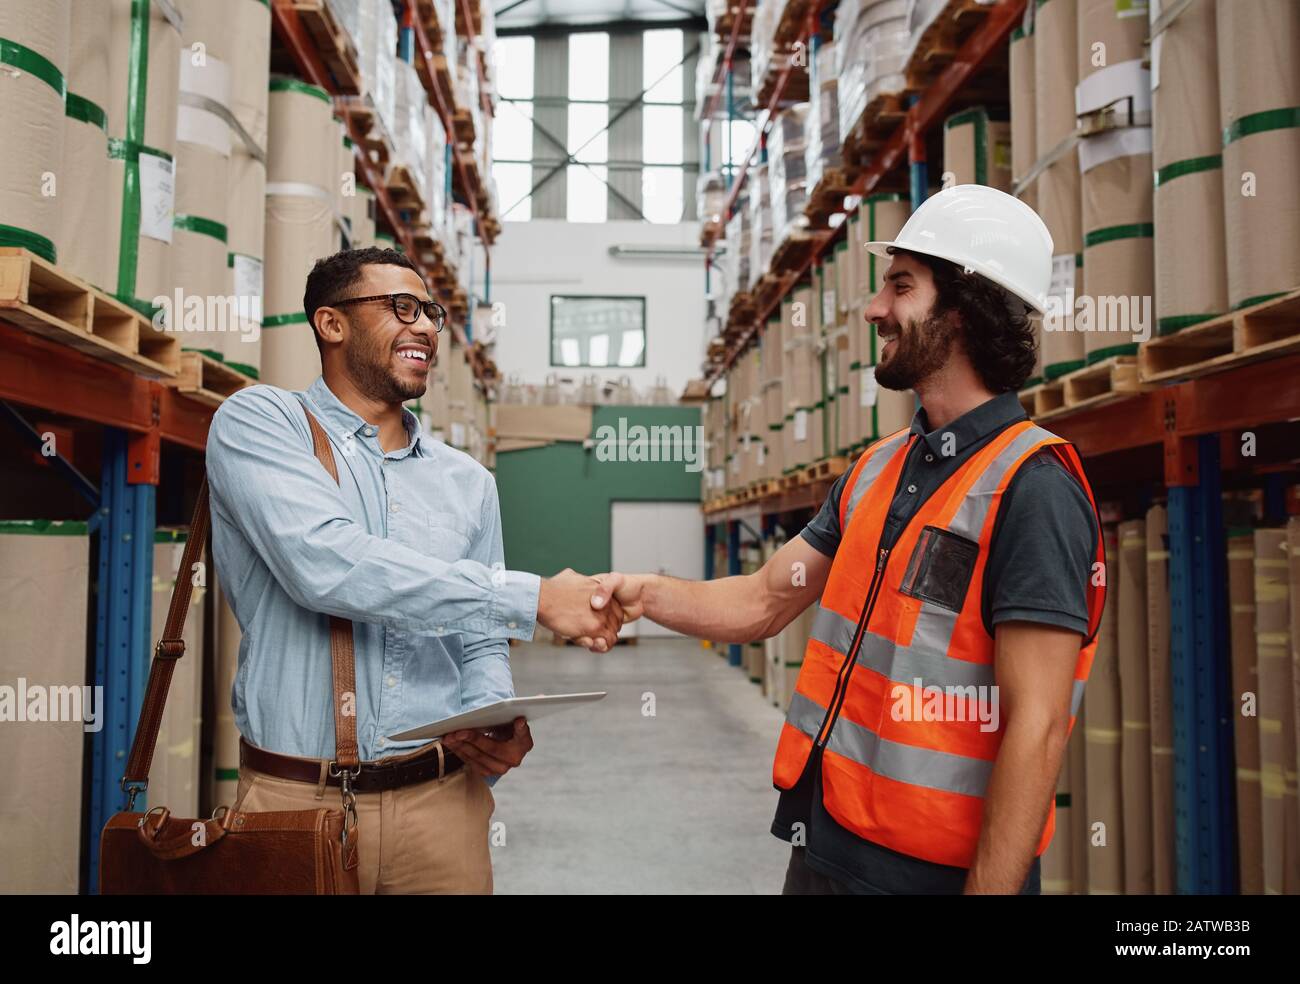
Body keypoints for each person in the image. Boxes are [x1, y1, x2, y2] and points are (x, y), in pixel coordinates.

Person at [592, 185, 1106, 895]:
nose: (874, 309)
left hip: (931, 875)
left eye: (900, 286)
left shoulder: (1033, 488)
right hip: (827, 839)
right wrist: (643, 594)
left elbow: (1039, 726)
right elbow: (762, 601)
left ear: (965, 308)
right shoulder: (877, 469)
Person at [206, 247, 625, 893]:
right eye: (401, 307)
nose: (426, 326)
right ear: (331, 323)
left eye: (430, 311)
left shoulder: (467, 481)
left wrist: (492, 721)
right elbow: (326, 565)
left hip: (441, 805)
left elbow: (481, 636)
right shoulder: (262, 424)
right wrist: (535, 597)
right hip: (297, 799)